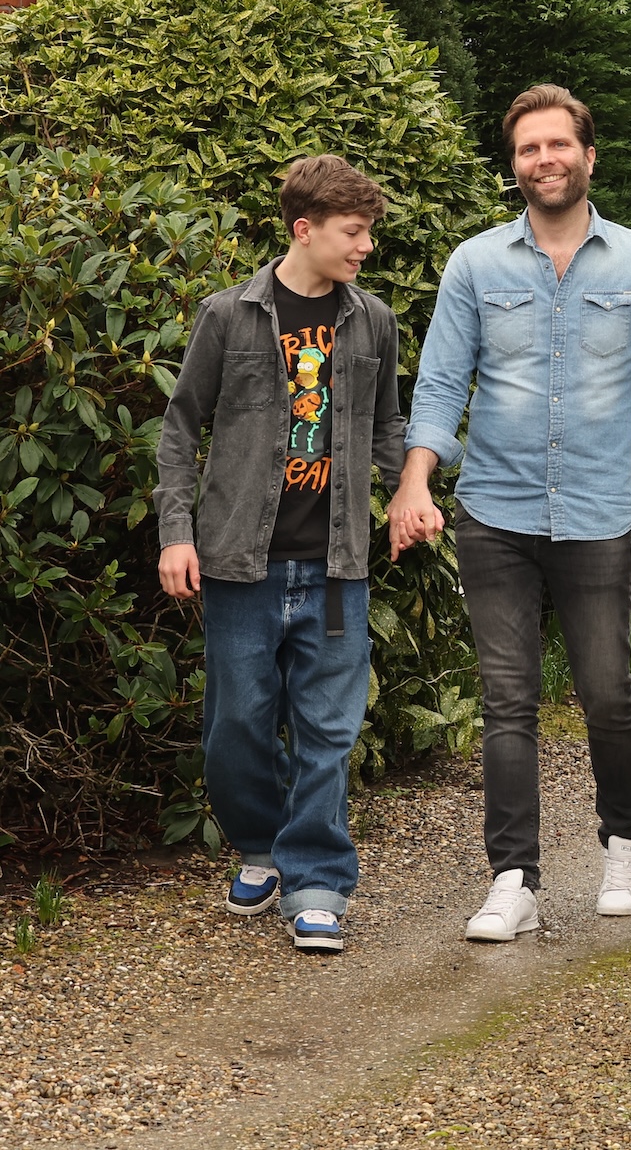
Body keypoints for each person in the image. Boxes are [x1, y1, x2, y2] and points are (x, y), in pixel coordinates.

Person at [389, 84, 631, 943]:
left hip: (594, 516)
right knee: (507, 700)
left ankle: (624, 843)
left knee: (607, 694)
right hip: (493, 514)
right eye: (526, 150)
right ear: (514, 166)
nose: (543, 160)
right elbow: (439, 382)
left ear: (590, 156)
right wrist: (415, 481)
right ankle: (513, 878)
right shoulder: (475, 264)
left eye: (557, 145)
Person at [155, 155, 406, 955]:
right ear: (305, 230)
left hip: (337, 565)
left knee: (329, 731)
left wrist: (412, 494)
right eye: (353, 232)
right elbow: (178, 429)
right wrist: (175, 532)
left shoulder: (374, 322)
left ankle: (318, 881)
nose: (365, 247)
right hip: (239, 565)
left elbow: (389, 428)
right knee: (238, 727)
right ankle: (262, 845)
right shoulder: (228, 317)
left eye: (367, 232)